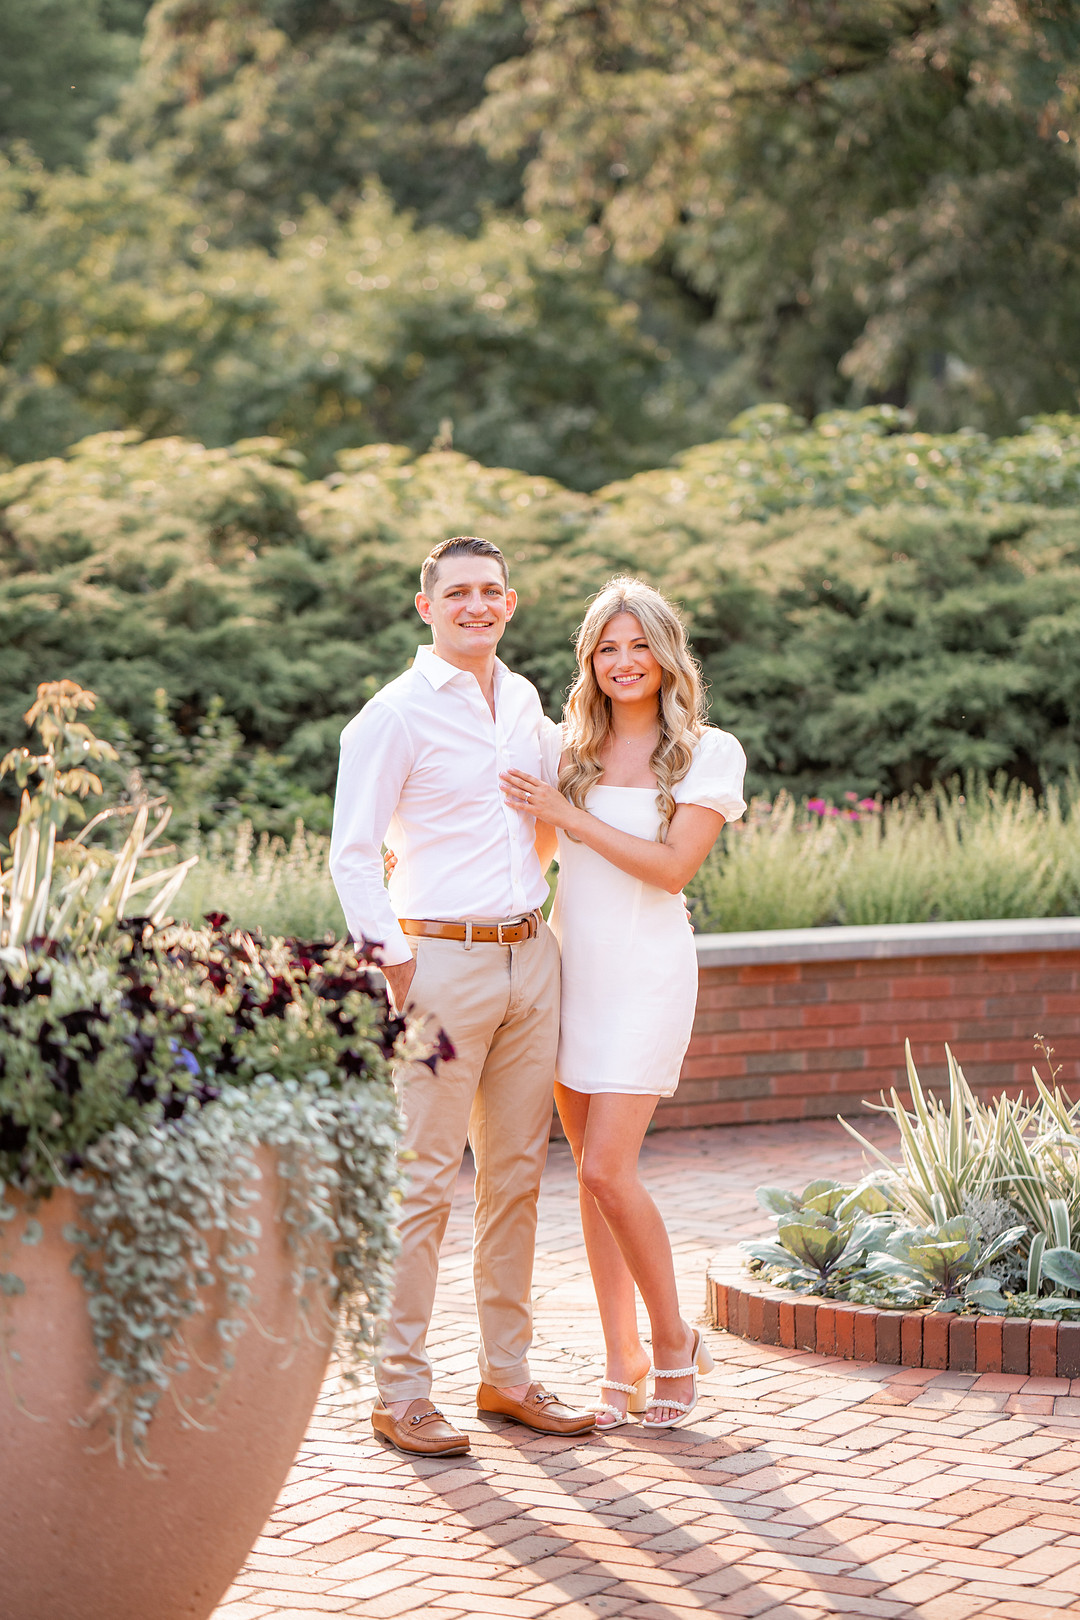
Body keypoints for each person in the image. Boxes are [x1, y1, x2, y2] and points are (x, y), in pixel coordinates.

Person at [329, 535, 595, 1457]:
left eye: (491, 592)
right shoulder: (391, 716)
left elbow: (556, 807)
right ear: (426, 606)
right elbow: (352, 853)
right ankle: (398, 1391)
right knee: (423, 1185)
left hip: (532, 958)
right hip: (438, 968)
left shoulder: (523, 701)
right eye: (458, 594)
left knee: (516, 1178)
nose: (476, 606)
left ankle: (507, 1376)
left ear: (511, 604)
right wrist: (396, 965)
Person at [500, 577, 746, 1430]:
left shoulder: (710, 752)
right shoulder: (568, 750)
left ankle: (674, 1342)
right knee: (592, 1182)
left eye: (639, 645)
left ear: (667, 654)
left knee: (610, 1166)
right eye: (608, 647)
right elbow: (530, 849)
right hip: (572, 970)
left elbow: (672, 868)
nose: (624, 661)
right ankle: (623, 1359)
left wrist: (571, 813)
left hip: (647, 972)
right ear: (589, 661)